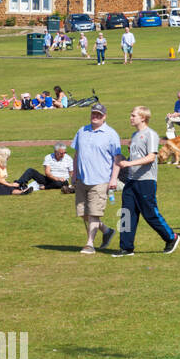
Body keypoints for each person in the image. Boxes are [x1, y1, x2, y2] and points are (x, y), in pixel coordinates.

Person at [114, 106, 179, 256]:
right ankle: (126, 247)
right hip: (131, 181)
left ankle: (171, 237)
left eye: (133, 115)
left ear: (143, 117)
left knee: (150, 213)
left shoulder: (151, 134)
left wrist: (129, 164)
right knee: (126, 214)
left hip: (146, 181)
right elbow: (136, 157)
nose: (130, 118)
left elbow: (151, 157)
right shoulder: (134, 135)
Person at [71, 102, 122, 253]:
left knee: (94, 213)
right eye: (93, 113)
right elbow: (76, 154)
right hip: (82, 179)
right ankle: (107, 231)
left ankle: (90, 244)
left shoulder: (111, 134)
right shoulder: (82, 131)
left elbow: (117, 159)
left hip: (100, 180)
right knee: (84, 213)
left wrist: (113, 179)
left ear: (104, 117)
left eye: (99, 115)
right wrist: (74, 174)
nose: (95, 116)